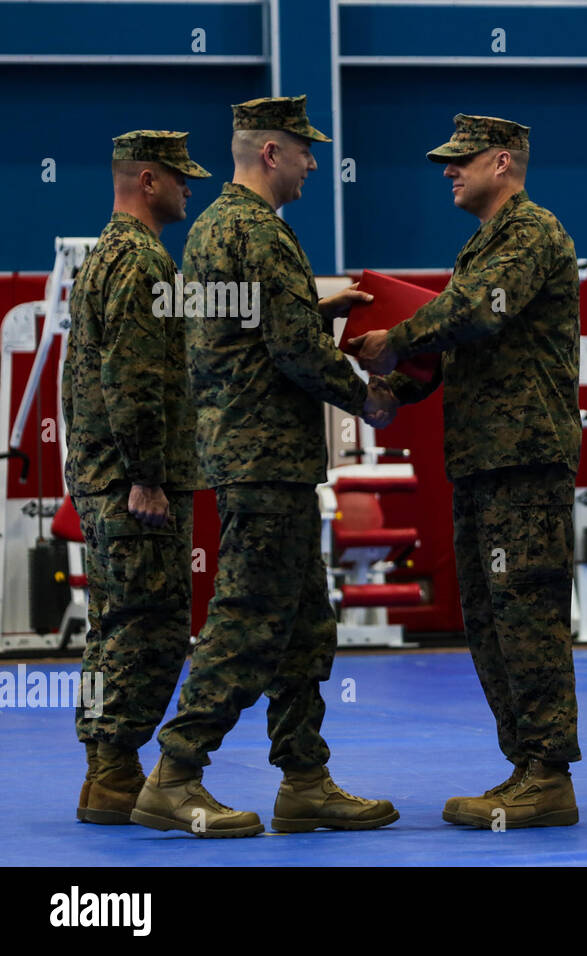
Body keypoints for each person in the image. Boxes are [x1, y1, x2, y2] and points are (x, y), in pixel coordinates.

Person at [132, 95, 399, 838]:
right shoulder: (261, 232)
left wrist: (319, 307)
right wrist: (369, 397)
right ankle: (176, 773)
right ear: (271, 153)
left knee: (306, 626)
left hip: (251, 455)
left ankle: (305, 779)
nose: (316, 162)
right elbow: (290, 351)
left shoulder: (216, 227)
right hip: (266, 458)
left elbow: (246, 329)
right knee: (247, 621)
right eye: (305, 149)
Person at [351, 114, 582, 830]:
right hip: (485, 459)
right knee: (488, 618)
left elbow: (478, 314)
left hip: (523, 459)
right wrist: (396, 387)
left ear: (504, 163)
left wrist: (395, 339)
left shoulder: (531, 233)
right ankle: (524, 766)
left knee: (527, 613)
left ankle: (548, 773)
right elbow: (461, 349)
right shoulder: (482, 246)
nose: (449, 171)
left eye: (462, 160)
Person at [64, 130, 210, 824]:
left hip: (101, 477)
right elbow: (135, 376)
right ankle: (117, 765)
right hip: (132, 484)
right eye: (182, 178)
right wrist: (147, 475)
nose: (192, 189)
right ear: (148, 180)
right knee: (150, 629)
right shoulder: (143, 262)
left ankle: (105, 771)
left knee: (110, 629)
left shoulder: (103, 257)